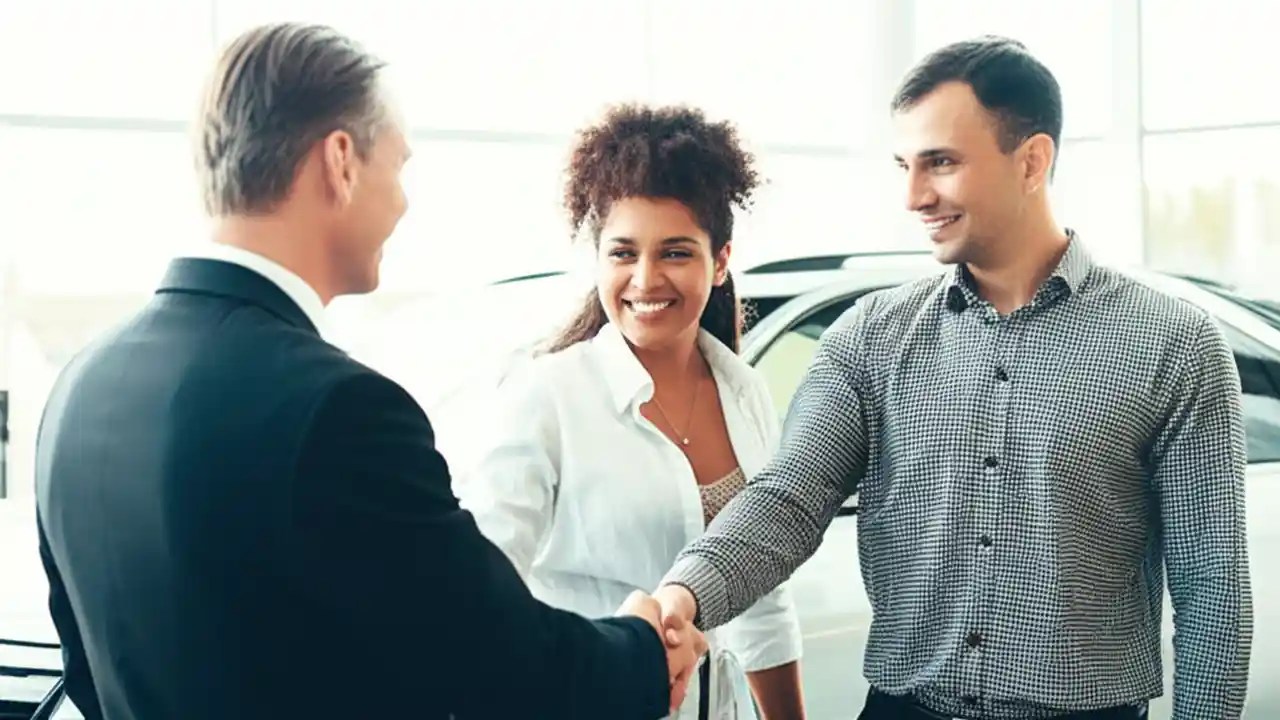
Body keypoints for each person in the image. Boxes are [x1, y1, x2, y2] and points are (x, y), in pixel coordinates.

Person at [33, 22, 702, 720]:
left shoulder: (79, 390)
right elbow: (495, 662)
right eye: (400, 165)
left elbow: (84, 673)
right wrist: (641, 653)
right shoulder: (337, 409)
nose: (405, 202)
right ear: (341, 161)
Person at [653, 36, 1252, 720]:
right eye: (905, 165)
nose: (913, 195)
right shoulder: (869, 337)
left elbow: (1214, 592)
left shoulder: (1174, 344)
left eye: (940, 163)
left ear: (1032, 161)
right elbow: (789, 500)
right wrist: (685, 594)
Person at [455, 104, 805, 719]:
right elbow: (484, 592)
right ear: (597, 261)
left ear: (719, 261)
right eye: (622, 253)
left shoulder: (744, 391)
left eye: (674, 252)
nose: (646, 279)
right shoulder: (547, 395)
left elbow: (765, 603)